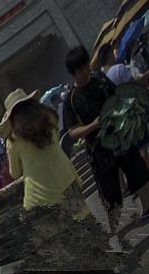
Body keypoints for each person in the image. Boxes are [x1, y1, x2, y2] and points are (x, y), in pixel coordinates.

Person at [63, 45, 149, 219]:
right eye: (82, 69)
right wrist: (93, 126)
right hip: (100, 150)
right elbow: (72, 132)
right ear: (75, 72)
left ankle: (147, 208)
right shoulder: (71, 100)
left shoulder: (100, 79)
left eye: (86, 66)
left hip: (120, 137)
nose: (87, 71)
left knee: (139, 173)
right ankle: (121, 229)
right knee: (110, 194)